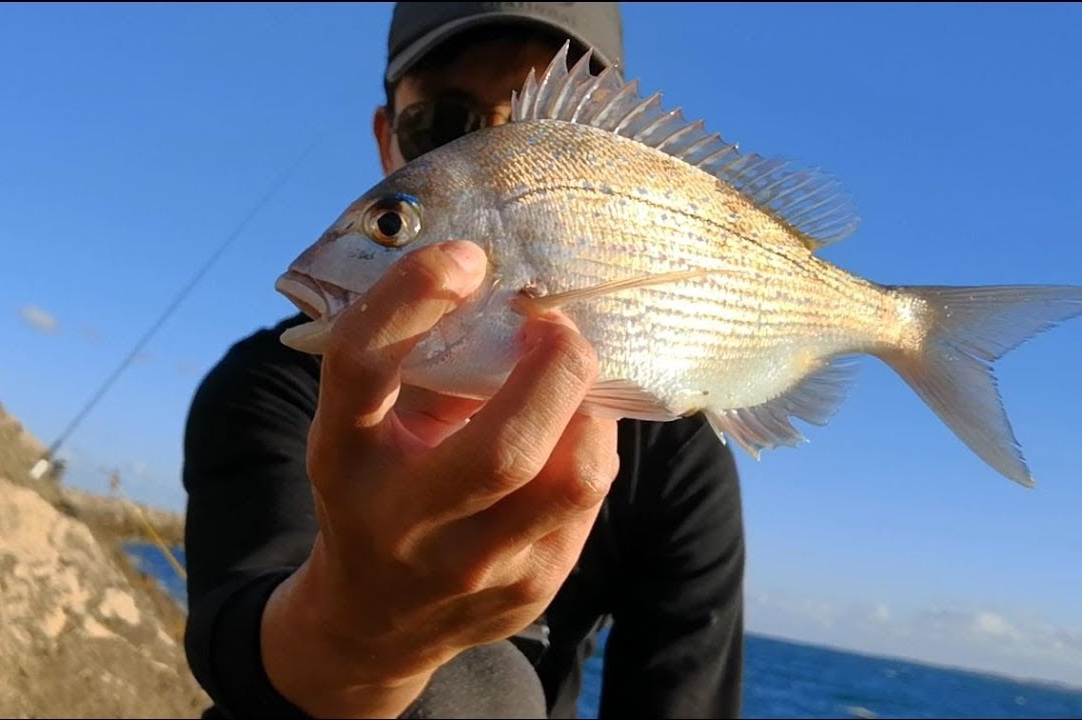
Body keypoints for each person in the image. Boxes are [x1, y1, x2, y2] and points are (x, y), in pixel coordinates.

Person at [181, 3, 746, 718]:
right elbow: (236, 627)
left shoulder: (673, 443)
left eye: (551, 131)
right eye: (445, 124)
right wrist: (361, 635)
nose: (503, 159)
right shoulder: (271, 385)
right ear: (390, 141)